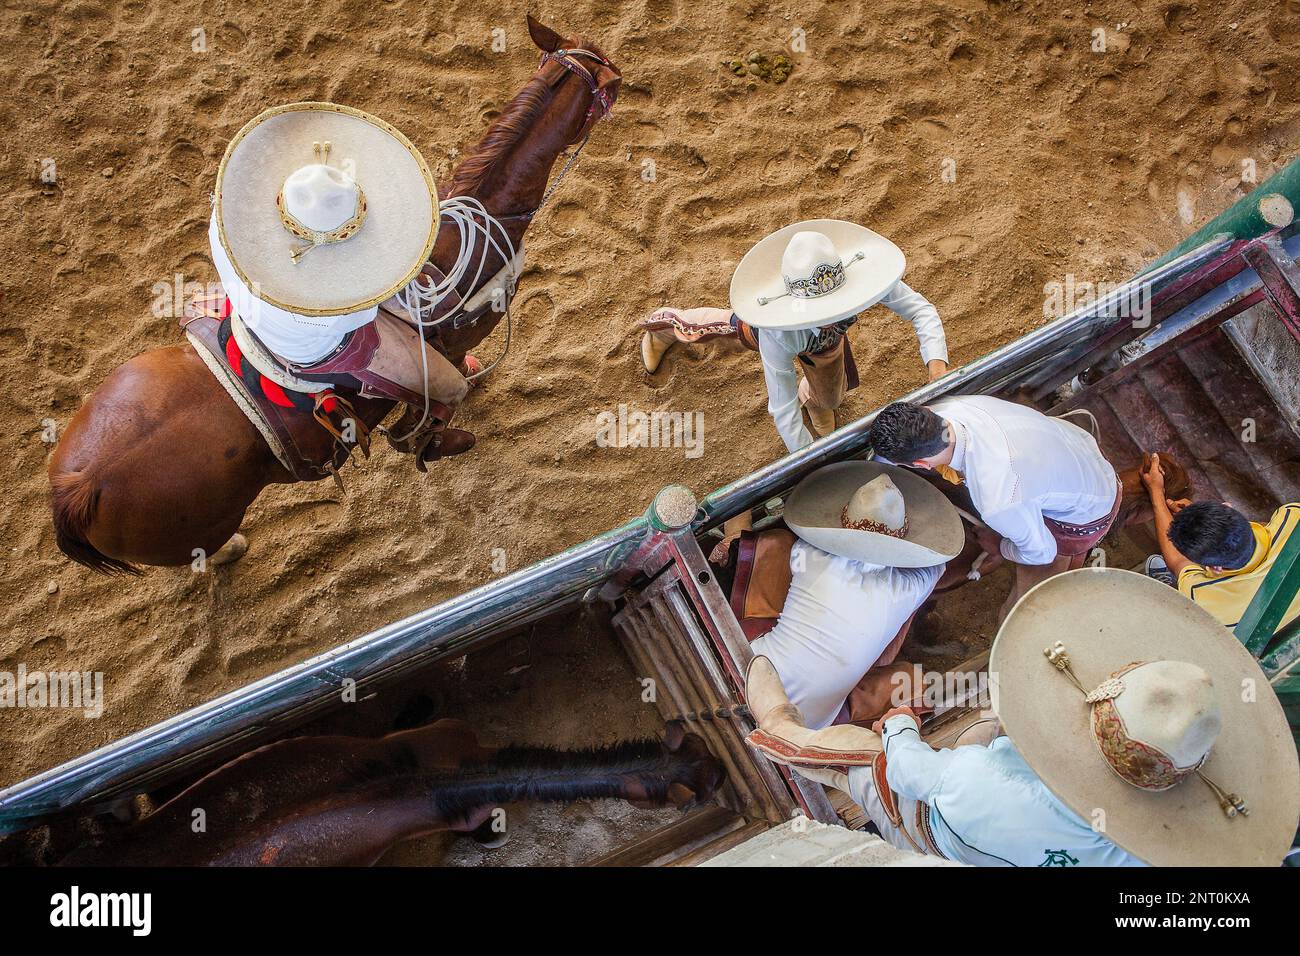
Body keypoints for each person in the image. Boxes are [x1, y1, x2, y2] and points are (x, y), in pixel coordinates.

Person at [744, 568, 1299, 866]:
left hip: (934, 819)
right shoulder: (1152, 858)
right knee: (986, 728)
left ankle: (779, 729)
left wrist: (899, 723)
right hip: (993, 835)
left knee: (864, 758)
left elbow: (914, 770)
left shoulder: (976, 780)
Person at [204, 102, 479, 465]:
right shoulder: (343, 300)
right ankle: (419, 435)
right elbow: (370, 310)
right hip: (320, 345)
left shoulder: (222, 220)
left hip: (253, 315)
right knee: (450, 387)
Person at [639, 221, 949, 453]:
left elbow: (921, 311)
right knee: (725, 328)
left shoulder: (867, 281)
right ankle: (664, 327)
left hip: (825, 343)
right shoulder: (777, 334)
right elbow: (782, 406)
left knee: (831, 394)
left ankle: (815, 400)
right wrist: (808, 457)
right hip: (778, 331)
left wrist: (938, 374)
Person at [740, 461, 964, 729]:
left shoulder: (809, 553)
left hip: (749, 667)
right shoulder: (911, 587)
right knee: (906, 671)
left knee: (775, 547)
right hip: (808, 725)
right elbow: (937, 567)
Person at [869, 396, 1121, 620]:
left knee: (1021, 612)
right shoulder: (950, 406)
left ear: (923, 464)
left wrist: (999, 546)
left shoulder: (996, 498)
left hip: (1089, 512)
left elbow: (1042, 552)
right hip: (1081, 449)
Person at [1139, 454, 1300, 630]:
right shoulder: (1292, 517)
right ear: (1228, 506)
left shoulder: (1201, 595)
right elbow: (1265, 527)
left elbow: (1178, 562)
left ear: (1216, 569)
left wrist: (1156, 491)